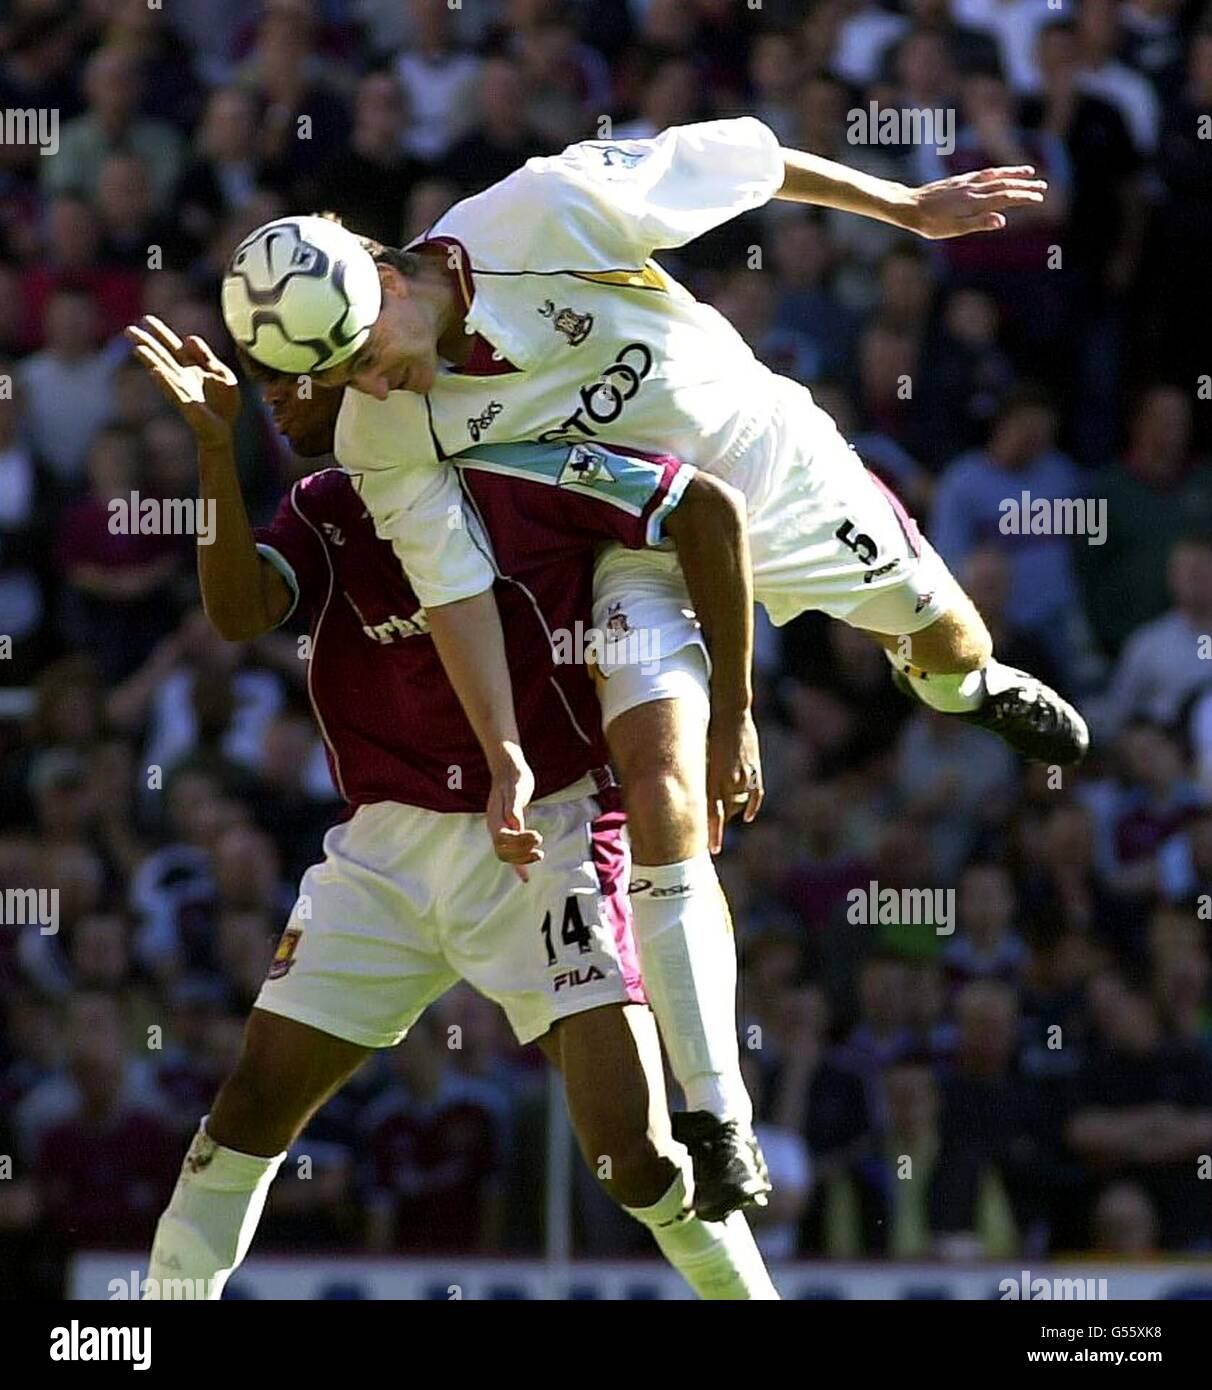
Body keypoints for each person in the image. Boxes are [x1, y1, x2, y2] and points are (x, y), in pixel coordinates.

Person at [223, 122, 1088, 1218]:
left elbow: (753, 158)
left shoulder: (540, 210)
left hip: (772, 470)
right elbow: (454, 594)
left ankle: (969, 689)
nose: (367, 386)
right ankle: (721, 1114)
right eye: (336, 380)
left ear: (384, 284)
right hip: (636, 549)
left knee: (949, 645)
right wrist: (502, 758)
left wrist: (907, 207)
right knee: (665, 789)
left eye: (359, 358)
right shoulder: (381, 430)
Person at [126, 316, 776, 1298]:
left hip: (550, 836)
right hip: (385, 850)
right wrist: (215, 449)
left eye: (294, 375)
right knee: (250, 1105)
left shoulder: (522, 473)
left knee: (635, 1158)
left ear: (362, 378)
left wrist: (730, 713)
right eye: (264, 380)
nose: (273, 394)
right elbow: (238, 612)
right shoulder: (326, 505)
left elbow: (710, 514)